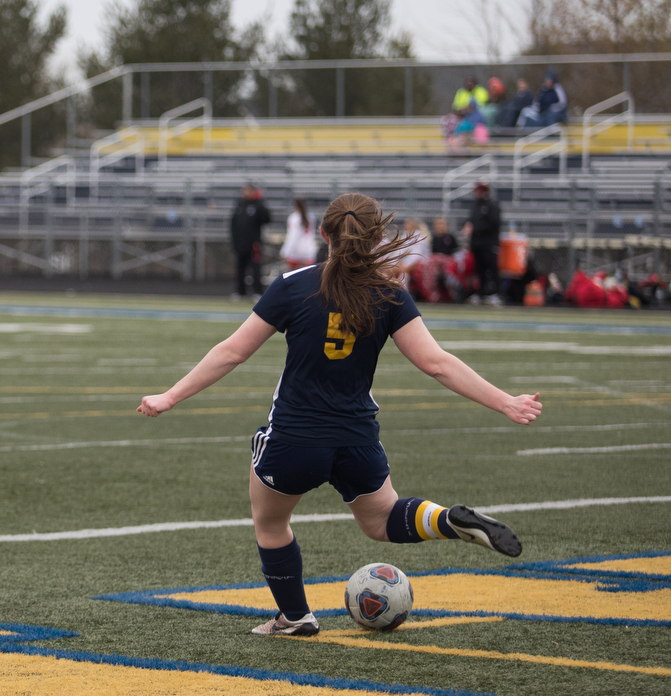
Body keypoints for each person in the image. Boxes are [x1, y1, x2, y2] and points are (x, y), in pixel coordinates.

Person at [136, 192, 542, 637]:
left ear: (323, 234)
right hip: (357, 439)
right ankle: (448, 520)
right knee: (382, 520)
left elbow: (232, 352)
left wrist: (170, 396)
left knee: (271, 524)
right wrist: (506, 401)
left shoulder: (293, 285)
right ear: (376, 237)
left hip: (294, 437)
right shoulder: (390, 293)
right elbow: (437, 363)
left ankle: (295, 617)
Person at [462, 182, 502, 303]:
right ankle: (482, 293)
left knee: (492, 268)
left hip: (489, 243)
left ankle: (496, 293)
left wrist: (476, 228)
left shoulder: (492, 206)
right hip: (477, 244)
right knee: (480, 270)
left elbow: (494, 224)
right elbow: (471, 220)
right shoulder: (475, 206)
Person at [230, 184, 271, 299]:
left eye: (247, 190)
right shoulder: (239, 205)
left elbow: (267, 219)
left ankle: (257, 291)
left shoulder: (258, 205)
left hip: (254, 244)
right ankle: (241, 292)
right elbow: (233, 224)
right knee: (240, 268)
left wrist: (261, 202)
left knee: (256, 268)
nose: (245, 193)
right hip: (240, 243)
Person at [279, 198, 317, 271]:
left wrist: (285, 252)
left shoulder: (294, 218)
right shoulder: (311, 216)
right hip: (309, 252)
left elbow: (292, 236)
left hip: (296, 252)